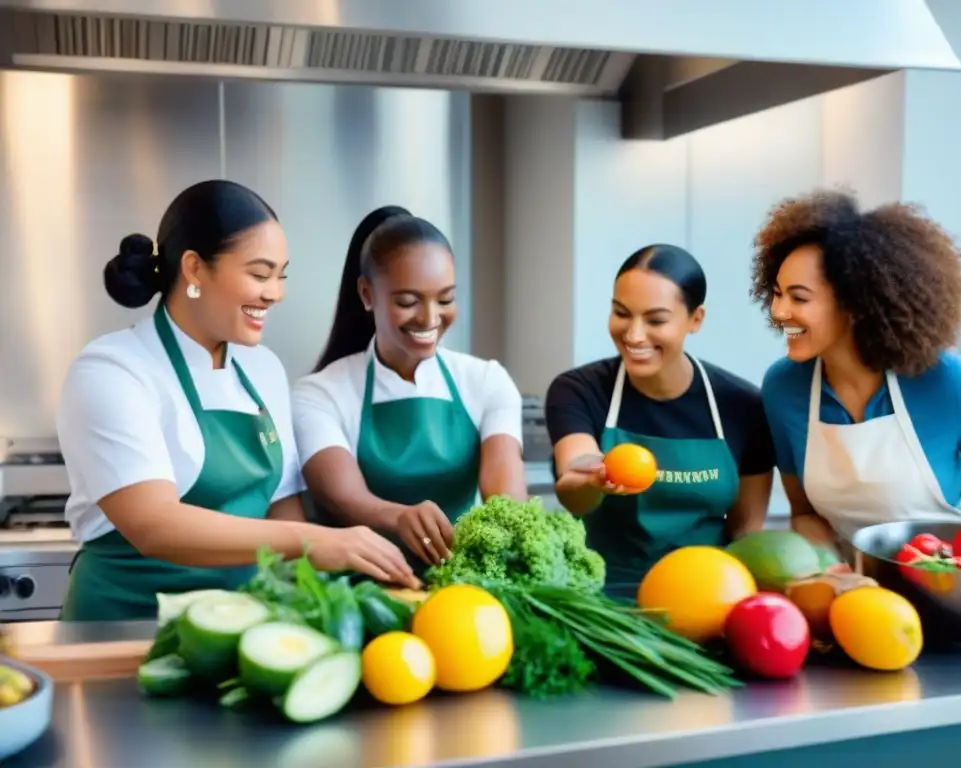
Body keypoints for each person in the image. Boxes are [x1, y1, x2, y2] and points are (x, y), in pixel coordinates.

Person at [58, 180, 419, 622]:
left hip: (238, 628)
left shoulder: (262, 369)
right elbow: (154, 525)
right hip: (122, 628)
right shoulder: (113, 370)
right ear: (194, 268)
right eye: (260, 273)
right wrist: (316, 542)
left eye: (281, 275)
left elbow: (282, 511)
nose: (276, 292)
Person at [753, 189, 961, 547]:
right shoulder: (784, 388)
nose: (779, 311)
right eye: (777, 293)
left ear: (856, 303)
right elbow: (804, 514)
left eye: (799, 297)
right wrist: (837, 574)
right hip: (848, 595)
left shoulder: (950, 383)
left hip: (943, 586)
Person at [291, 206, 527, 570]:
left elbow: (505, 491)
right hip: (361, 589)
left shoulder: (486, 381)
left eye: (445, 299)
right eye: (408, 301)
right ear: (367, 294)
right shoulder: (320, 393)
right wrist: (397, 516)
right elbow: (342, 495)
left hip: (464, 585)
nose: (430, 318)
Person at [545, 244, 776, 596]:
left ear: (695, 319)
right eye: (621, 313)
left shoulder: (743, 406)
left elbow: (745, 531)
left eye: (655, 320)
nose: (634, 335)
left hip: (706, 596)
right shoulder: (579, 390)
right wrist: (593, 477)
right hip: (601, 598)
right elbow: (573, 489)